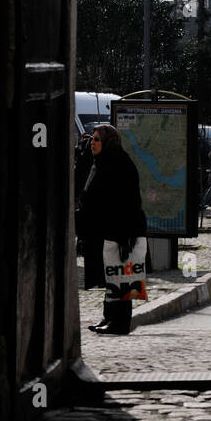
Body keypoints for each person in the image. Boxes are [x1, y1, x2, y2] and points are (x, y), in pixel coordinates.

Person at [77, 122, 147, 336]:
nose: (92, 143)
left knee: (122, 277)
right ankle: (109, 317)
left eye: (97, 139)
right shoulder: (100, 162)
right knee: (110, 277)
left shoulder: (119, 163)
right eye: (92, 139)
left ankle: (120, 322)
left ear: (108, 142)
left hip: (121, 229)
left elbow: (125, 200)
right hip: (106, 229)